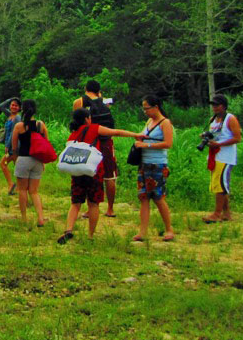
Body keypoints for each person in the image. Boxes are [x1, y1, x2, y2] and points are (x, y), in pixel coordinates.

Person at [57, 107, 146, 244]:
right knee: (93, 204)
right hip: (94, 172)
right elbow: (116, 132)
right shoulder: (94, 128)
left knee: (75, 203)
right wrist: (135, 134)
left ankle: (68, 230)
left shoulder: (73, 135)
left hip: (77, 172)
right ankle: (90, 236)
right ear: (87, 119)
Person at [73, 80, 119, 217]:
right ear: (98, 90)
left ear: (86, 88)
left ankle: (91, 207)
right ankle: (110, 209)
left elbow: (77, 121)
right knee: (109, 176)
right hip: (106, 141)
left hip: (89, 141)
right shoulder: (104, 102)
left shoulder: (79, 102)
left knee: (89, 174)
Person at [132, 94, 174, 242]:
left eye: (147, 108)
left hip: (157, 164)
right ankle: (142, 232)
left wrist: (147, 145)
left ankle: (169, 229)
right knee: (143, 197)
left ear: (156, 107)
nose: (145, 112)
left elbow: (168, 143)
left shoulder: (165, 123)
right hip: (144, 164)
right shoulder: (149, 121)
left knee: (158, 197)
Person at [203, 94, 241, 223]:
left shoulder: (230, 119)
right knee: (219, 184)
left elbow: (237, 138)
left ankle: (217, 213)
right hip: (215, 156)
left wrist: (219, 144)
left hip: (225, 156)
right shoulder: (213, 119)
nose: (214, 107)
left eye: (217, 105)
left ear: (223, 106)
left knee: (220, 185)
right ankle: (226, 213)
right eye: (213, 105)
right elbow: (215, 136)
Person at [9, 99, 47, 226]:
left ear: (23, 109)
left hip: (24, 159)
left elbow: (14, 147)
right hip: (37, 160)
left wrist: (15, 158)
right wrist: (43, 161)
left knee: (22, 190)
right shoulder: (40, 125)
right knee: (34, 191)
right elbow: (46, 143)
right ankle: (40, 218)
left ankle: (24, 217)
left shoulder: (19, 126)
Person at [0, 98, 21, 195]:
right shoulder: (10, 115)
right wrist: (12, 99)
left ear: (19, 108)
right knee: (18, 167)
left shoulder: (17, 118)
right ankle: (19, 187)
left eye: (16, 105)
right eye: (12, 105)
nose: (13, 107)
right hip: (11, 145)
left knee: (3, 164)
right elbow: (1, 106)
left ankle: (12, 184)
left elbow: (13, 133)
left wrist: (8, 145)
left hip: (14, 146)